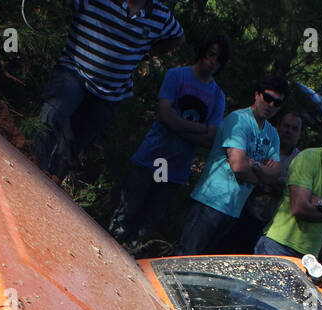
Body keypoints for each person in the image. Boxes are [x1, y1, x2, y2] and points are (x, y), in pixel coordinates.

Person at [35, 0, 185, 183]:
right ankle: (29, 170)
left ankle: (51, 185)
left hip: (111, 92)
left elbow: (177, 37)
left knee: (72, 145)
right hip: (75, 71)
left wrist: (147, 52)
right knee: (51, 118)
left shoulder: (160, 16)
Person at [110, 36, 229, 249]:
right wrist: (197, 128)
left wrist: (180, 124)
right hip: (152, 156)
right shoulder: (177, 76)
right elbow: (165, 114)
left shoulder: (218, 95)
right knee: (126, 212)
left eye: (219, 59)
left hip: (175, 169)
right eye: (211, 54)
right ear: (203, 52)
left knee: (147, 221)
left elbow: (211, 134)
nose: (213, 62)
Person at [177, 75, 287, 254]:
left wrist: (255, 166)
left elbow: (275, 173)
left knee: (203, 263)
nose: (271, 105)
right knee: (185, 256)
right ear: (257, 95)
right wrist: (260, 175)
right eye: (268, 98)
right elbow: (238, 166)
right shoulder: (238, 120)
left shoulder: (272, 133)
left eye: (277, 103)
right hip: (211, 202)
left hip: (235, 210)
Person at [255, 122, 322, 259]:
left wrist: (321, 203)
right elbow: (299, 209)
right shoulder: (308, 158)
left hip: (309, 254)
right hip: (278, 242)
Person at [224, 110, 303, 252]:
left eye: (294, 129)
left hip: (270, 226)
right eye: (286, 126)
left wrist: (264, 177)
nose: (288, 131)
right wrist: (273, 181)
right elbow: (245, 169)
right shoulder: (262, 146)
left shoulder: (301, 161)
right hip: (241, 211)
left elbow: (292, 190)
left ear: (299, 134)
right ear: (277, 126)